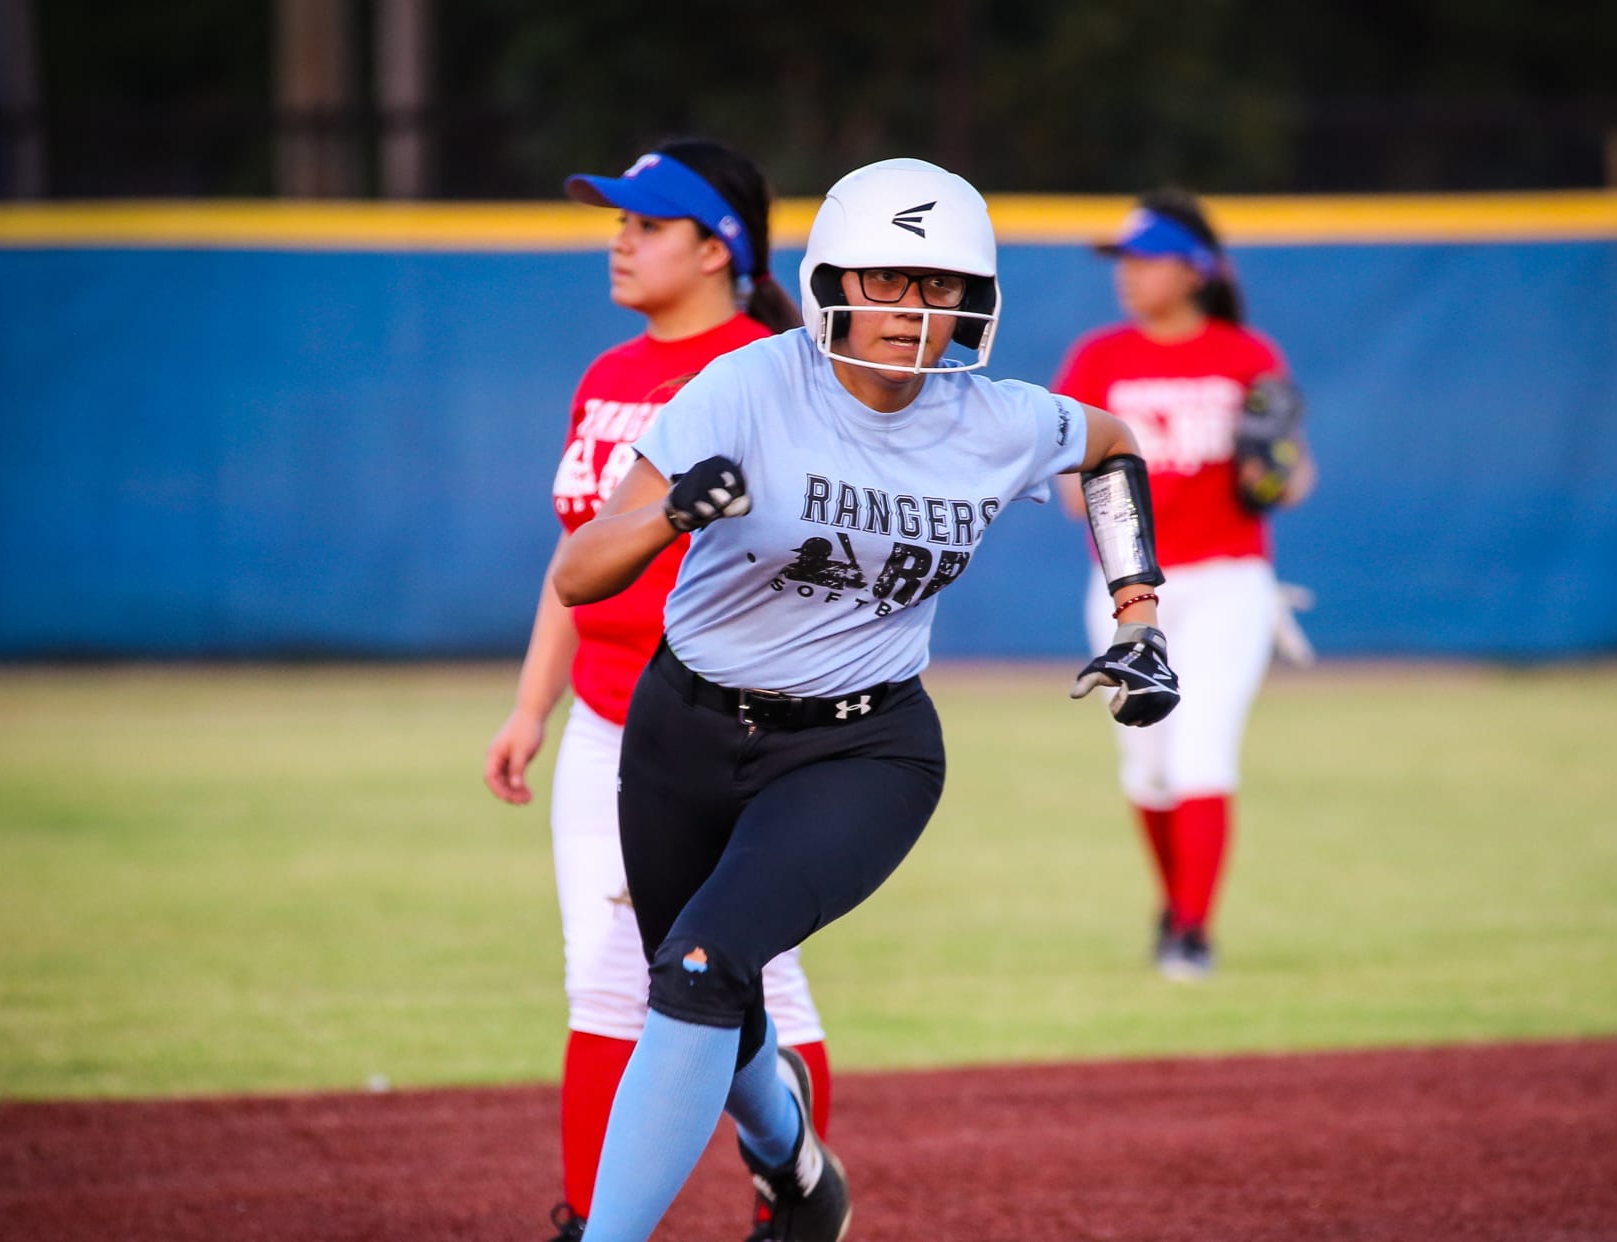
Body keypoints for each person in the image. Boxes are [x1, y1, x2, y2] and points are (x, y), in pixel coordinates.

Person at [547, 157, 1182, 1242]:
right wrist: (669, 517)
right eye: (884, 279)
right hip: (681, 728)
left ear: (973, 300)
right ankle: (793, 1163)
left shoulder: (998, 419)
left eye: (937, 286)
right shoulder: (747, 385)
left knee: (705, 966)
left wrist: (1138, 614)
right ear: (830, 275)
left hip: (859, 750)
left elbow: (1114, 448)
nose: (908, 310)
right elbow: (579, 573)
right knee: (693, 985)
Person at [479, 137, 835, 1242]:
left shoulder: (777, 374)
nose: (620, 240)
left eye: (647, 222)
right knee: (604, 980)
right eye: (618, 221)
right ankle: (593, 1224)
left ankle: (793, 1199)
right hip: (602, 719)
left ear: (718, 245)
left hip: (732, 728)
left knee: (755, 985)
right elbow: (576, 560)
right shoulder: (609, 376)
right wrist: (532, 705)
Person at [1053, 189, 1317, 982]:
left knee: (1201, 749)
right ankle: (1176, 907)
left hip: (1231, 580)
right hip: (1130, 590)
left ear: (1196, 270)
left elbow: (1294, 479)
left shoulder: (1246, 355)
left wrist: (1273, 470)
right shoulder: (1101, 358)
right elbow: (1073, 496)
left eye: (1146, 260)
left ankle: (1192, 935)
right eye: (1123, 262)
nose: (1128, 275)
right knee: (1148, 764)